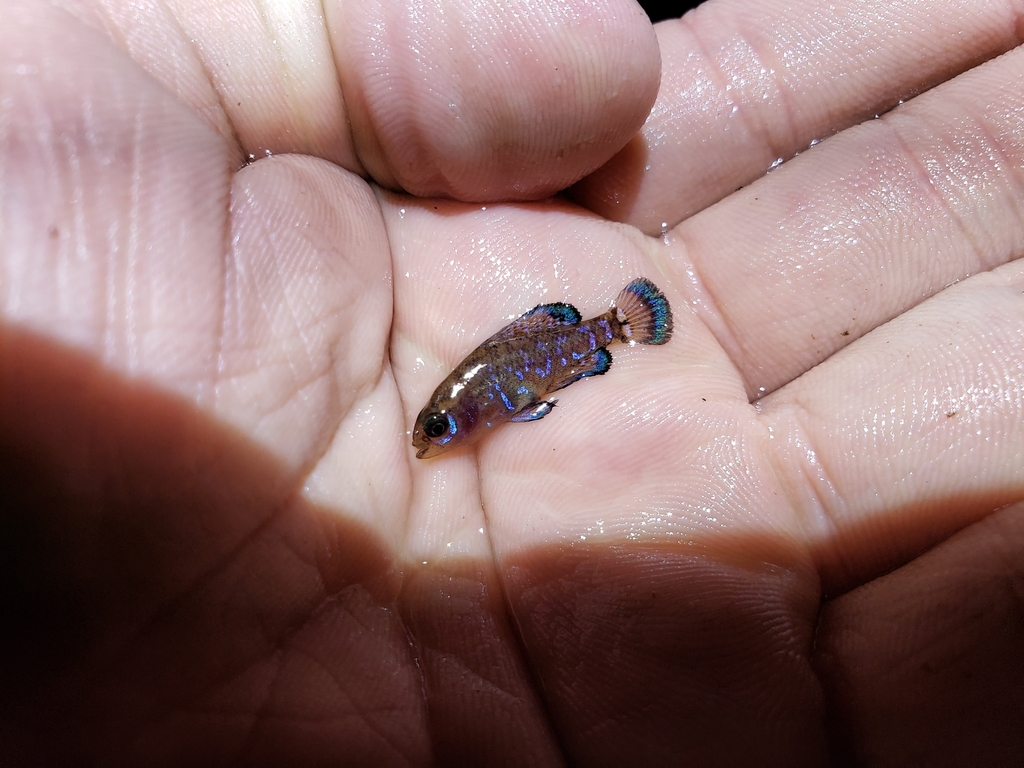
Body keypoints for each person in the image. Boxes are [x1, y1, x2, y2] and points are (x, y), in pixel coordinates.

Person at [2, 0, 1022, 764]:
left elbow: (516, 367)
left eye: (444, 421)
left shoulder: (487, 393)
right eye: (446, 422)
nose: (445, 426)